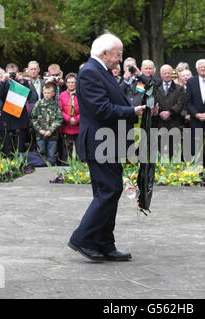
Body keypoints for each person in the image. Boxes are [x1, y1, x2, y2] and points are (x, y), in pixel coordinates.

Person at [68, 33, 156, 262]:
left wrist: (141, 104)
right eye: (118, 54)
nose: (120, 59)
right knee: (109, 191)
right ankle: (82, 238)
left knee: (108, 191)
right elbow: (100, 109)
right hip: (100, 142)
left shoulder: (101, 71)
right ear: (104, 53)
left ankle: (105, 243)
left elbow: (120, 99)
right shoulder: (89, 72)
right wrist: (132, 112)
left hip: (108, 142)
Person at [0, 63, 38, 154]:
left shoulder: (24, 82)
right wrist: (3, 80)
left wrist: (22, 82)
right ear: (6, 73)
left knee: (20, 148)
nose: (12, 76)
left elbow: (30, 97)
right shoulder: (2, 83)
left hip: (20, 119)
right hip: (7, 119)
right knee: (7, 148)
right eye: (10, 73)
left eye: (14, 73)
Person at [154, 64, 185, 160]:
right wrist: (160, 112)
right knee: (160, 148)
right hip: (159, 121)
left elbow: (180, 104)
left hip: (174, 121)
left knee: (173, 148)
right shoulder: (155, 88)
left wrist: (170, 113)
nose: (167, 75)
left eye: (169, 73)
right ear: (161, 74)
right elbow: (153, 102)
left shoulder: (179, 88)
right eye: (165, 73)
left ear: (172, 74)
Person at [30, 83, 63, 159]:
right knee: (40, 156)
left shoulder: (56, 105)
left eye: (49, 93)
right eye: (45, 93)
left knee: (52, 156)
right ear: (42, 92)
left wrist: (50, 130)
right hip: (40, 136)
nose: (46, 95)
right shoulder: (38, 104)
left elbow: (59, 119)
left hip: (52, 135)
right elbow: (33, 118)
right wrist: (39, 129)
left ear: (53, 93)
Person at [58, 73, 80, 162]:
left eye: (73, 82)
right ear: (66, 83)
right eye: (69, 82)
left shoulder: (81, 94)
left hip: (79, 127)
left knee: (79, 151)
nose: (71, 84)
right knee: (67, 153)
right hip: (66, 127)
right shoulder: (62, 95)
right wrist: (68, 118)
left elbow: (85, 109)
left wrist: (76, 119)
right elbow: (59, 110)